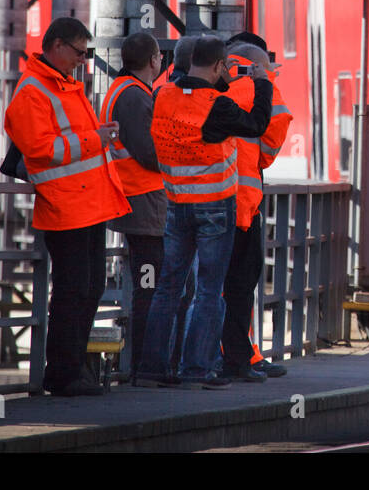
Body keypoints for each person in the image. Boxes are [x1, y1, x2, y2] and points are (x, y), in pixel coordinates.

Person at [135, 34, 273, 389]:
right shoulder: (217, 104)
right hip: (214, 206)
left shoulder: (162, 95)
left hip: (175, 204)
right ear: (218, 67)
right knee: (209, 290)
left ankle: (151, 369)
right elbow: (257, 124)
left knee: (168, 287)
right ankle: (197, 369)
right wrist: (262, 81)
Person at [4, 16, 130, 397]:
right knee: (73, 290)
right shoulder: (34, 92)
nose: (83, 60)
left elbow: (68, 146)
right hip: (66, 207)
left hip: (87, 204)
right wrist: (96, 138)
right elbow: (44, 150)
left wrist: (98, 137)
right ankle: (62, 374)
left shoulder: (62, 87)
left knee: (89, 288)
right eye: (79, 52)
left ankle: (73, 370)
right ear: (56, 46)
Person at [218, 32, 293, 381]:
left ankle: (209, 357)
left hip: (198, 200)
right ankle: (237, 357)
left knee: (205, 286)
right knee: (241, 284)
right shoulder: (262, 89)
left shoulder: (205, 88)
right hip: (244, 205)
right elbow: (272, 140)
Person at [99, 31, 167, 384]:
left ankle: (144, 364)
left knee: (148, 287)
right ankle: (145, 366)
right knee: (149, 288)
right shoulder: (136, 98)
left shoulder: (123, 91)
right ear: (154, 60)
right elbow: (151, 153)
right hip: (144, 207)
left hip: (138, 204)